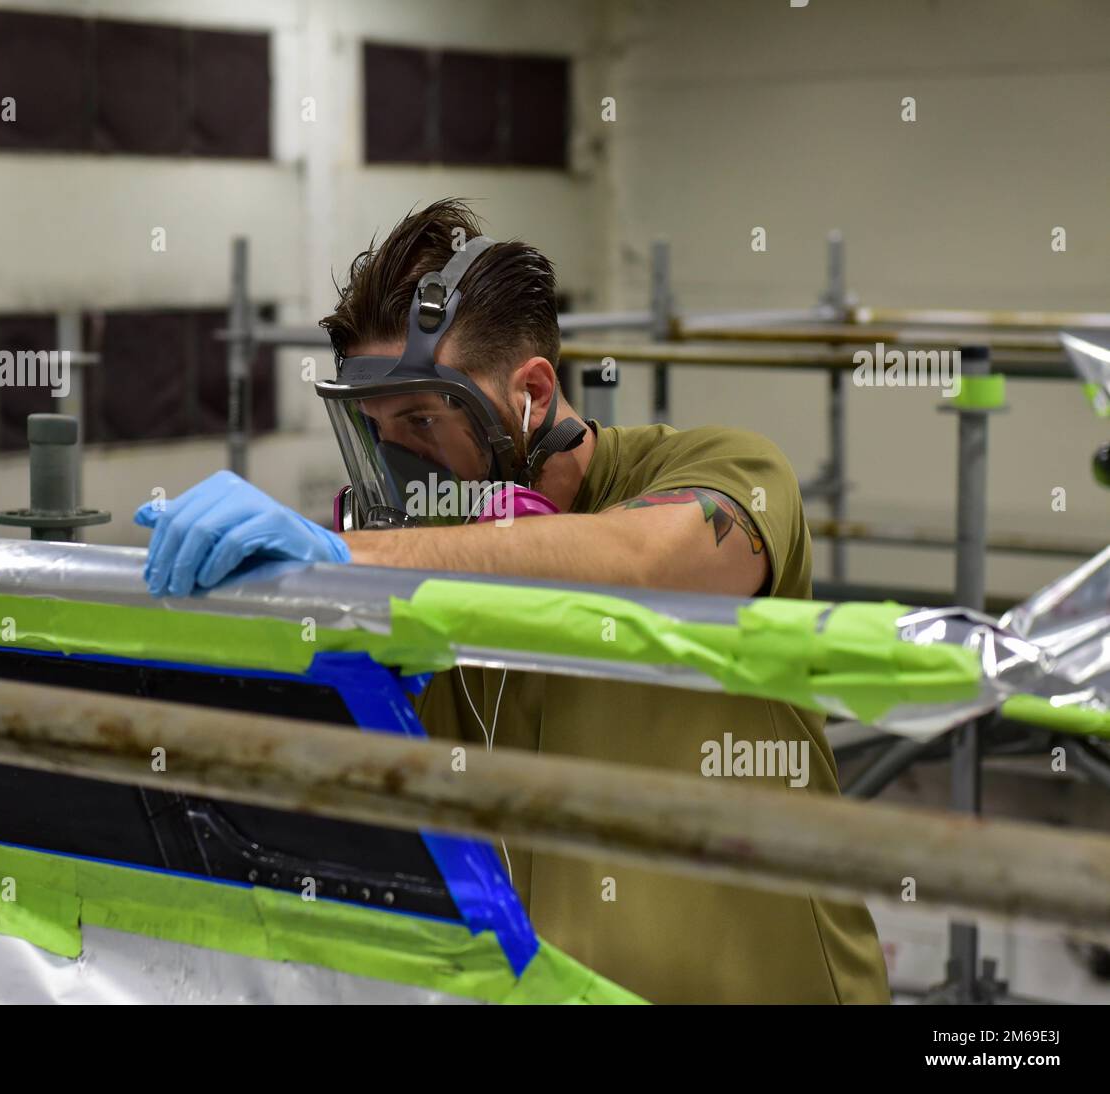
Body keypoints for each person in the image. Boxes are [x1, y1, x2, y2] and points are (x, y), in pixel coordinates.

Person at [135, 199, 890, 1004]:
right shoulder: (418, 575)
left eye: (423, 419)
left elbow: (650, 565)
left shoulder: (724, 464)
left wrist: (350, 559)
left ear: (531, 392)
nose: (399, 463)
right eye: (375, 429)